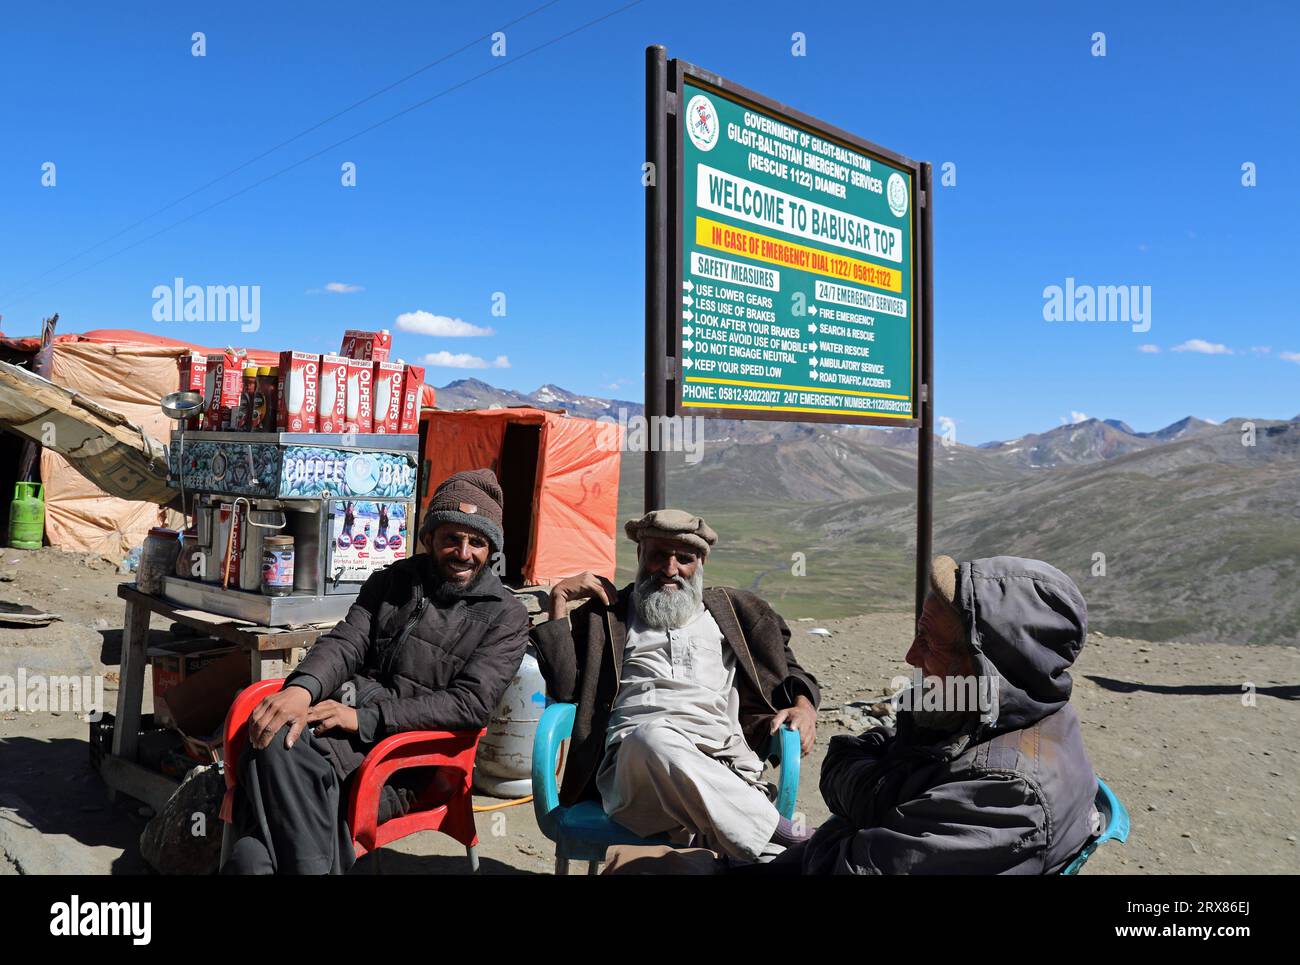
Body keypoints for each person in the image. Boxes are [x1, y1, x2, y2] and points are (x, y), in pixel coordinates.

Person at [221, 469, 529, 874]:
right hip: (339, 730)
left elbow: (470, 704)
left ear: (491, 549)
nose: (463, 552)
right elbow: (345, 642)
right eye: (451, 538)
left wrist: (364, 719)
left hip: (408, 757)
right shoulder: (393, 582)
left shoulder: (506, 616)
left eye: (477, 542)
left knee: (263, 796)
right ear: (430, 537)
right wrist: (302, 689)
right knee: (271, 727)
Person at [772, 555, 1099, 875]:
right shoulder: (995, 715)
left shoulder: (1008, 794)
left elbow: (846, 866)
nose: (911, 655)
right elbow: (863, 751)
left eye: (930, 641)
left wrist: (852, 819)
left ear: (988, 669)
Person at [531, 508, 820, 863]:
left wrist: (804, 706)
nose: (670, 569)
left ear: (700, 564)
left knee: (664, 746)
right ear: (640, 556)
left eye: (684, 559)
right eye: (658, 556)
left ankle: (766, 852)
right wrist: (559, 599)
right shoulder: (608, 615)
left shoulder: (734, 613)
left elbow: (788, 667)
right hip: (633, 772)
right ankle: (781, 837)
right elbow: (563, 689)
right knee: (651, 737)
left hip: (723, 765)